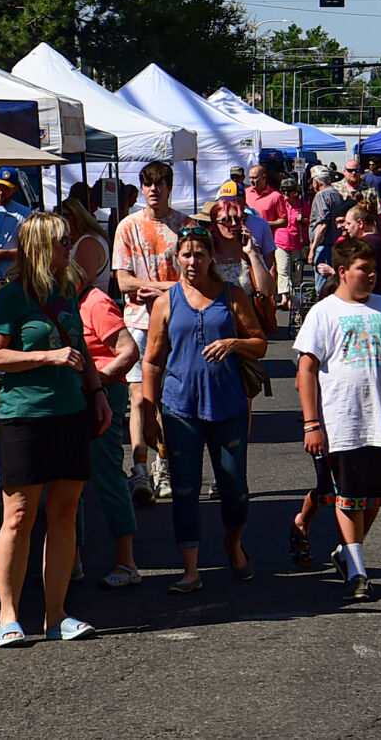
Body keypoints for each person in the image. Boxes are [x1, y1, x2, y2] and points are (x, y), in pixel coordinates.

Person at [0, 212, 111, 646]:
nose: (70, 247)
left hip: (70, 412)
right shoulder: (11, 296)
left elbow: (80, 349)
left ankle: (56, 615)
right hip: (25, 415)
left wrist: (97, 392)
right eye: (63, 240)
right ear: (41, 246)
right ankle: (8, 616)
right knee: (19, 516)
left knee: (65, 513)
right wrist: (45, 357)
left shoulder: (66, 290)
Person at [138, 224, 268, 592]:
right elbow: (152, 361)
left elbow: (259, 343)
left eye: (199, 254)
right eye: (186, 255)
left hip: (228, 404)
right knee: (184, 489)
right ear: (176, 258)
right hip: (180, 407)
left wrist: (233, 343)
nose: (193, 261)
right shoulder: (167, 302)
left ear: (212, 257)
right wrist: (149, 413)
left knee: (234, 487)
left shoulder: (232, 295)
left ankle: (233, 543)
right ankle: (191, 570)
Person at [294, 237, 381, 602]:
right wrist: (311, 423)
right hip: (342, 422)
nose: (372, 275)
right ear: (343, 271)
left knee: (375, 497)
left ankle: (346, 553)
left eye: (375, 269)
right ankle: (358, 572)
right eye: (364, 269)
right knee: (348, 496)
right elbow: (306, 369)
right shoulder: (324, 312)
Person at [113, 161, 192, 505]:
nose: (153, 189)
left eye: (159, 183)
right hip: (137, 322)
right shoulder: (128, 226)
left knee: (169, 399)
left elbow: (194, 281)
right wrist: (165, 287)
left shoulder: (186, 227)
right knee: (139, 398)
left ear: (170, 187)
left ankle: (165, 463)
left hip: (176, 323)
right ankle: (139, 469)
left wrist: (157, 289)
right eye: (147, 183)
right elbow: (123, 281)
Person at [79, 279, 141, 589]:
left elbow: (129, 351)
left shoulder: (96, 302)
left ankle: (127, 562)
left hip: (102, 396)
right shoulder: (60, 301)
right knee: (69, 480)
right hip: (75, 397)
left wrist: (97, 384)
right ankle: (71, 561)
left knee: (107, 474)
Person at [207, 196, 276, 302]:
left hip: (247, 310)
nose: (234, 224)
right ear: (214, 225)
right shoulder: (207, 256)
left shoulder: (249, 254)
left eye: (237, 219)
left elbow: (268, 291)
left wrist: (251, 253)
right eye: (227, 220)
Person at [245, 165, 293, 304]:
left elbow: (284, 221)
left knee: (269, 268)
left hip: (267, 243)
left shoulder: (275, 196)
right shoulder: (246, 193)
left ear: (264, 177)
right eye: (250, 178)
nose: (252, 181)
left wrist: (264, 225)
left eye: (255, 178)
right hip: (246, 242)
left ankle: (269, 296)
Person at [335, 203, 381, 294]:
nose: (346, 227)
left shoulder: (364, 245)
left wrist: (332, 272)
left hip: (370, 294)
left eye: (349, 223)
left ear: (360, 223)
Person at [58, 196, 113, 293]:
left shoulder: (89, 243)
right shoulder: (82, 240)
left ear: (71, 218)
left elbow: (86, 278)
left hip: (87, 300)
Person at [309, 164, 349, 294]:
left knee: (323, 288)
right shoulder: (337, 194)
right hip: (335, 245)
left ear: (316, 181)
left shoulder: (320, 196)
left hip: (324, 246)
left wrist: (312, 248)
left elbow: (322, 224)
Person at [273, 176, 309, 312]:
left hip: (298, 243)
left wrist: (303, 220)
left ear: (295, 192)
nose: (286, 193)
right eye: (283, 191)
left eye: (289, 191)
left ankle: (295, 297)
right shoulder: (280, 203)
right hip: (281, 241)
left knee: (296, 272)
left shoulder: (302, 205)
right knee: (283, 270)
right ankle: (285, 298)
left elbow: (310, 220)